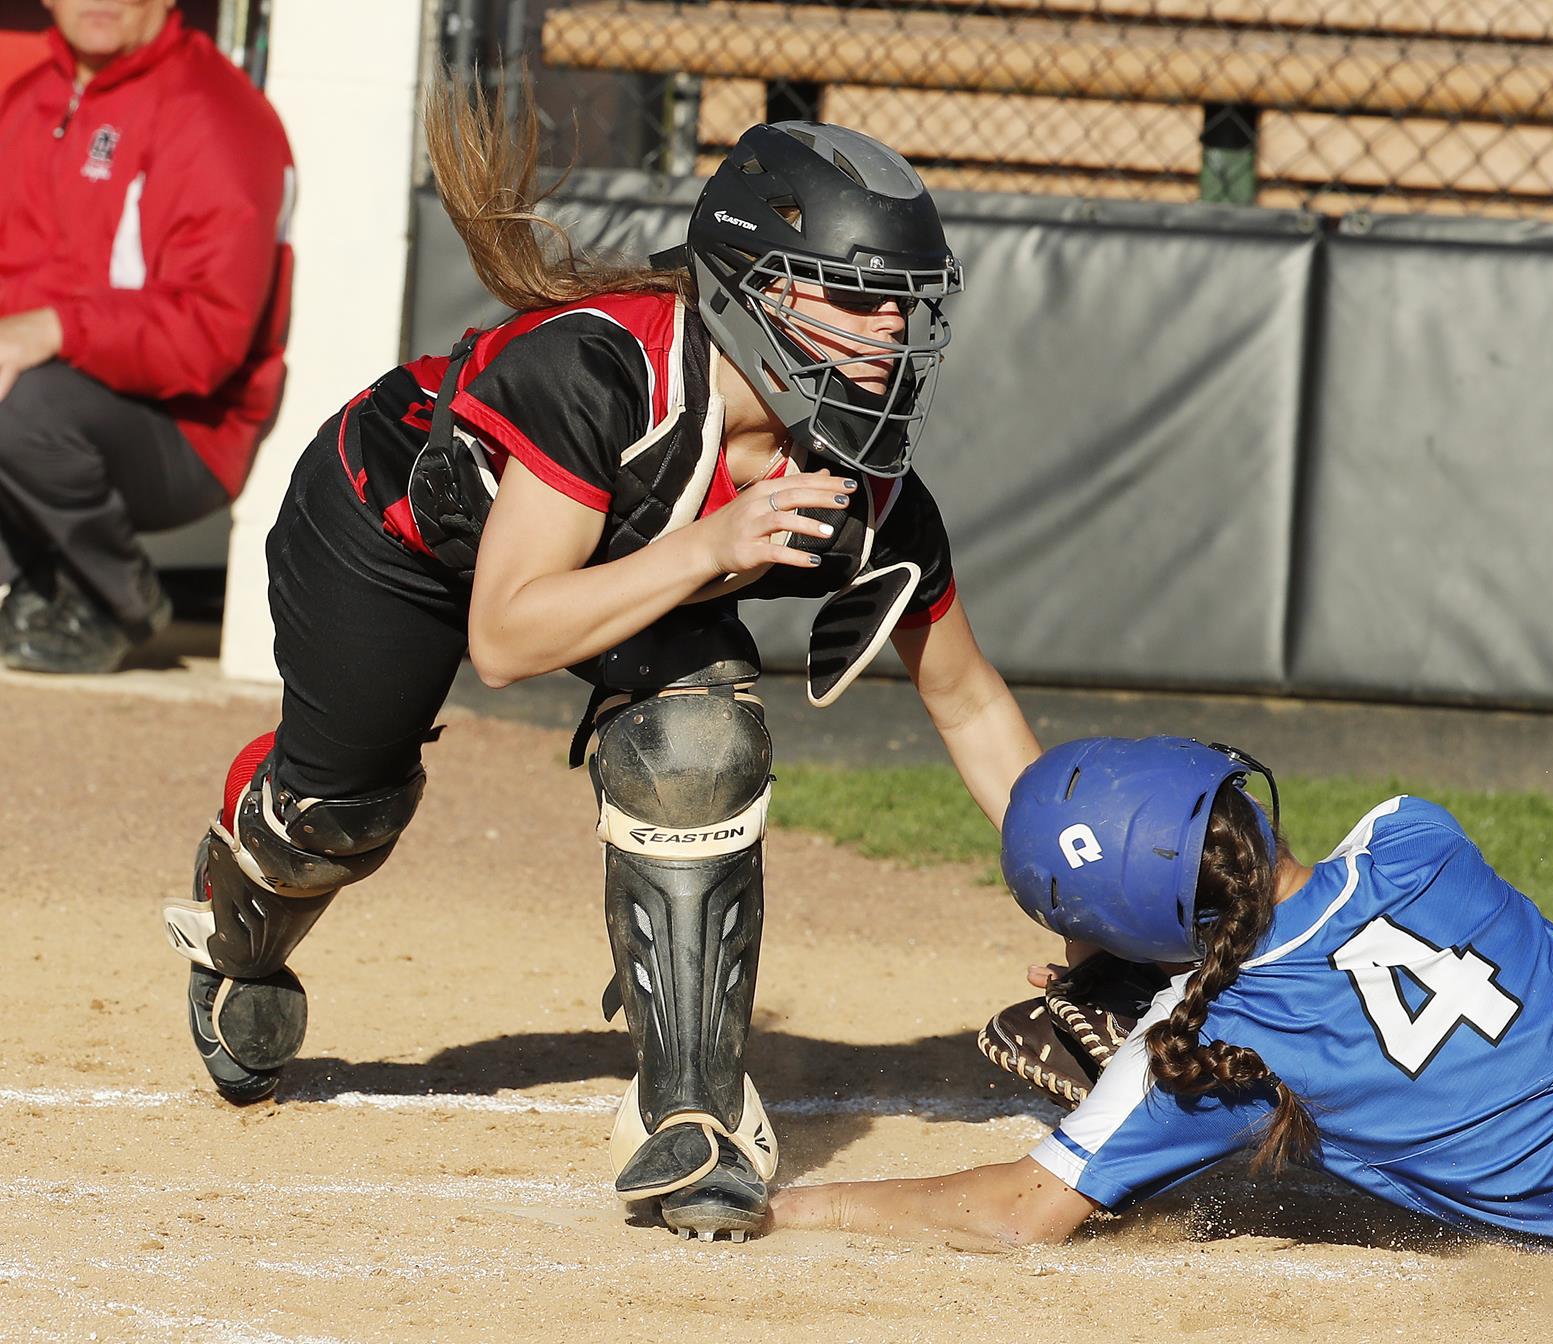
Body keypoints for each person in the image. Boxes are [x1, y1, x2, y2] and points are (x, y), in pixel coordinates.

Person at [156, 80, 1041, 1244]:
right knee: (338, 816)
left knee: (698, 740)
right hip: (391, 534)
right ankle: (243, 905)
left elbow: (969, 705)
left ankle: (692, 1116)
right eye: (854, 303)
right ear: (755, 290)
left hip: (628, 568)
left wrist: (1093, 903)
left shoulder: (862, 483)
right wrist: (714, 544)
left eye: (903, 311)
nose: (888, 340)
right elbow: (510, 636)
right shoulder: (604, 372)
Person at [771, 735, 1553, 1248]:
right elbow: (1308, 932)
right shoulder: (1412, 837)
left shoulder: (1200, 1052)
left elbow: (1014, 1211)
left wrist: (786, 1209)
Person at [0, 0, 294, 673]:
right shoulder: (27, 97)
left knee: (23, 414)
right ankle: (42, 586)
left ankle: (113, 599)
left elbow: (208, 335)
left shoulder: (213, 110)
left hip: (184, 431)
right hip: (49, 395)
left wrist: (50, 328)